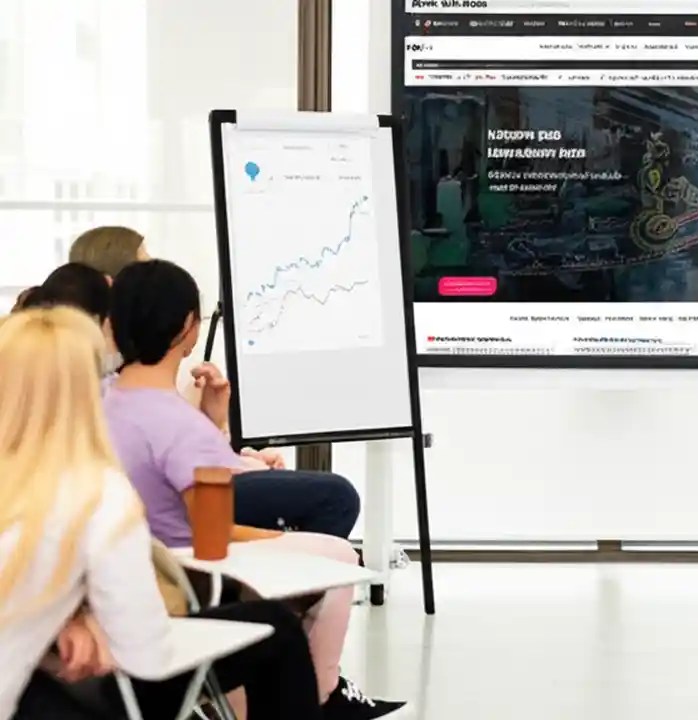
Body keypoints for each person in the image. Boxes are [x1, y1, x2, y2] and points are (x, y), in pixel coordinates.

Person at [101, 259, 404, 719]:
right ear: (188, 329)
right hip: (184, 567)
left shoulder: (105, 398)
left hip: (139, 567)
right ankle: (322, 694)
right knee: (341, 556)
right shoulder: (176, 423)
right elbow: (213, 528)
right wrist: (277, 541)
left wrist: (212, 423)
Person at [0, 308, 326, 720]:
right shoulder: (95, 497)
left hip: (32, 682)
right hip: (88, 677)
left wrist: (63, 622)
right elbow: (146, 653)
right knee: (277, 629)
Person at [67, 226, 362, 539]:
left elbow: (178, 457)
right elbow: (210, 527)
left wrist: (225, 440)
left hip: (158, 535)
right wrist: (292, 545)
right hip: (186, 558)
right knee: (337, 502)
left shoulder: (119, 391)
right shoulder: (149, 407)